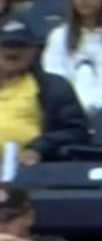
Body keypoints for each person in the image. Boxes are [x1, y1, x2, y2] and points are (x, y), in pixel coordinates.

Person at [0, 21, 87, 169]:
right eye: (6, 46)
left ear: (34, 51)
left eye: (20, 46)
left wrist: (38, 149)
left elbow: (76, 130)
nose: (12, 52)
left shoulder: (54, 87)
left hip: (26, 169)